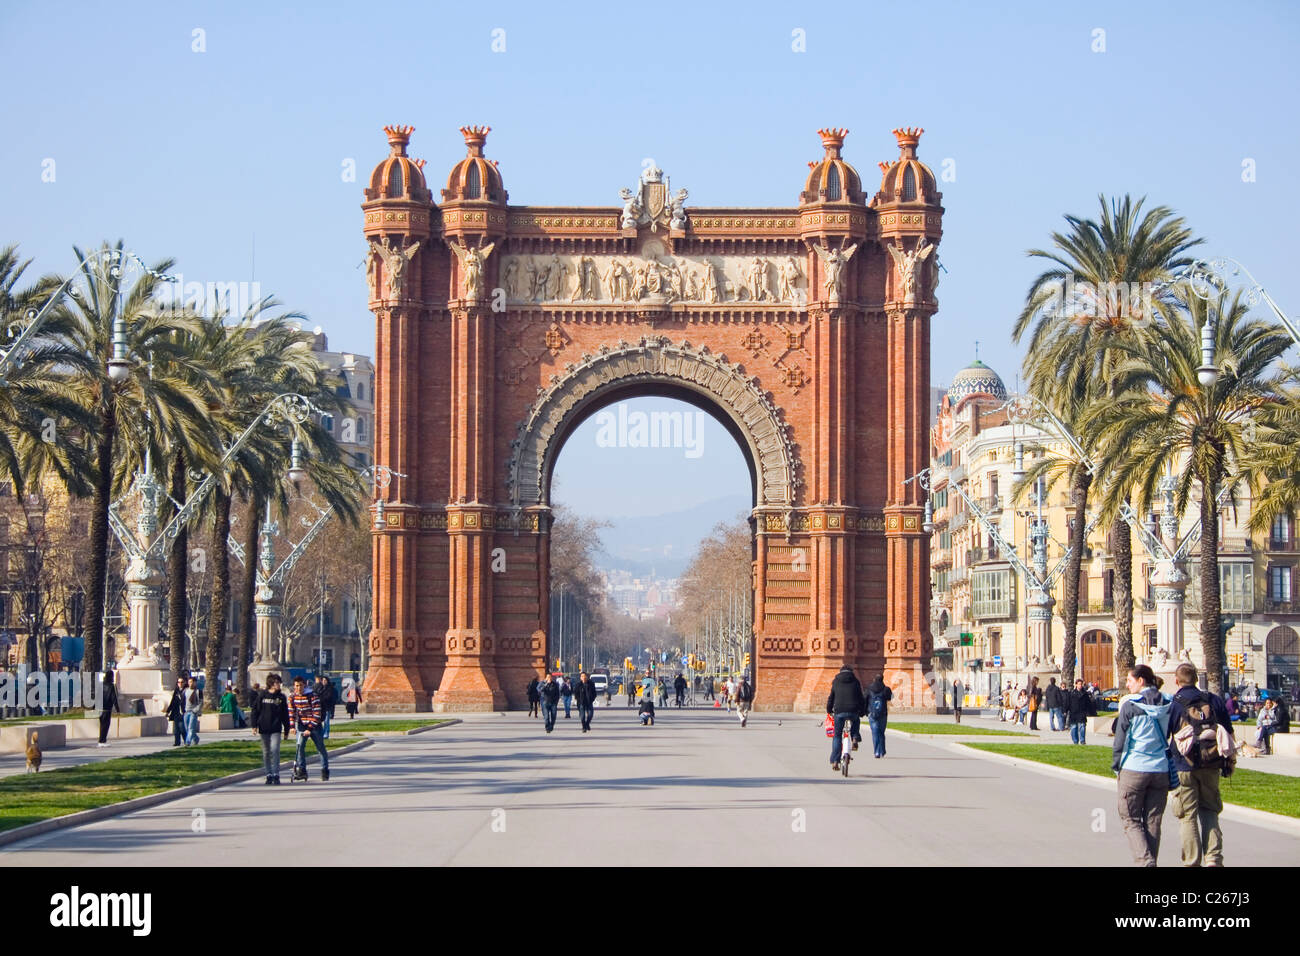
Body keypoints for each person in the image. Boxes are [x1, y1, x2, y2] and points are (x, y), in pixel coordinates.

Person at [1167, 663, 1234, 867]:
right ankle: (1213, 858)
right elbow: (1228, 732)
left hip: (1184, 765)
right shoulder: (1213, 700)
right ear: (1197, 679)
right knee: (1210, 810)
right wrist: (1230, 761)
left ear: (1177, 681)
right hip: (1211, 762)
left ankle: (1192, 860)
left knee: (1188, 815)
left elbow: (1167, 734)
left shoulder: (1175, 704)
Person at [1112, 664, 1173, 867]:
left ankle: (1145, 860)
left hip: (1134, 767)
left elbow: (1120, 739)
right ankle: (1150, 860)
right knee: (1153, 820)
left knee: (1130, 818)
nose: (1127, 685)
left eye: (1130, 680)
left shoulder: (1130, 706)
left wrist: (1116, 764)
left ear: (1141, 681)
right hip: (1160, 769)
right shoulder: (1168, 703)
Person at [251, 673, 291, 784]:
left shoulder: (281, 698)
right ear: (272, 684)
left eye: (279, 682)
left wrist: (286, 730)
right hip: (264, 728)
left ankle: (276, 774)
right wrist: (254, 725)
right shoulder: (262, 696)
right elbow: (255, 711)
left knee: (275, 750)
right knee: (266, 752)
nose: (279, 685)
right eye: (277, 682)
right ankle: (268, 774)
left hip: (276, 728)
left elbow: (285, 715)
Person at [288, 675, 329, 782]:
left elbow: (317, 714)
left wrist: (309, 729)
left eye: (300, 685)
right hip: (301, 724)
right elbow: (291, 712)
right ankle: (302, 770)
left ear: (304, 685)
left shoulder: (312, 696)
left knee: (320, 748)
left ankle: (324, 770)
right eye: (296, 686)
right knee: (299, 747)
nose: (298, 688)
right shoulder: (292, 697)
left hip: (314, 725)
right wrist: (292, 726)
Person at [826, 665, 865, 771]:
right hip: (853, 710)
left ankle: (835, 760)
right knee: (856, 721)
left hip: (839, 711)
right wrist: (862, 711)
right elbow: (860, 698)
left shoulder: (836, 681)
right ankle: (855, 737)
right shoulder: (856, 681)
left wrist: (829, 710)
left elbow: (831, 697)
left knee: (837, 736)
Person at [865, 675, 893, 758]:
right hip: (883, 713)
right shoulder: (886, 689)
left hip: (872, 713)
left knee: (875, 732)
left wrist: (865, 711)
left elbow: (865, 699)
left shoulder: (869, 689)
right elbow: (889, 698)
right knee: (881, 732)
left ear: (874, 679)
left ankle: (876, 752)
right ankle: (882, 751)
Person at [1066, 677, 1095, 744]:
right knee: (1074, 727)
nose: (1080, 686)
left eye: (1081, 684)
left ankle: (1082, 740)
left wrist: (1090, 712)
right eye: (1079, 684)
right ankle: (1075, 741)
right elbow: (1068, 703)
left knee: (1082, 726)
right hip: (1074, 712)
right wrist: (1066, 710)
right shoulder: (1072, 693)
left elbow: (1088, 703)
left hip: (1082, 712)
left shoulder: (1085, 694)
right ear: (1076, 685)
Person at [96, 671, 120, 747]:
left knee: (102, 725)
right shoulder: (111, 686)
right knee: (105, 725)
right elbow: (114, 698)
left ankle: (101, 740)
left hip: (100, 708)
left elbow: (97, 696)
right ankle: (102, 741)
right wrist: (117, 708)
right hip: (107, 708)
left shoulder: (101, 685)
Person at [166, 676, 186, 746]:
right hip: (176, 712)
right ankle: (177, 742)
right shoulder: (176, 691)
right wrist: (168, 711)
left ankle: (186, 741)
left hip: (183, 712)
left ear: (184, 683)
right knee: (176, 729)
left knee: (182, 728)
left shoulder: (186, 691)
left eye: (181, 682)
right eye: (179, 682)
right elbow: (173, 702)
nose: (180, 683)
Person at [183, 675, 203, 746]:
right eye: (189, 682)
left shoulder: (198, 692)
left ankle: (187, 742)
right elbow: (183, 701)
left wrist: (195, 710)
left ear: (195, 683)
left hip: (193, 712)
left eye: (191, 682)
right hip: (186, 712)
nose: (190, 683)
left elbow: (201, 703)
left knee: (191, 728)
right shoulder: (185, 691)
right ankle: (196, 739)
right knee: (187, 728)